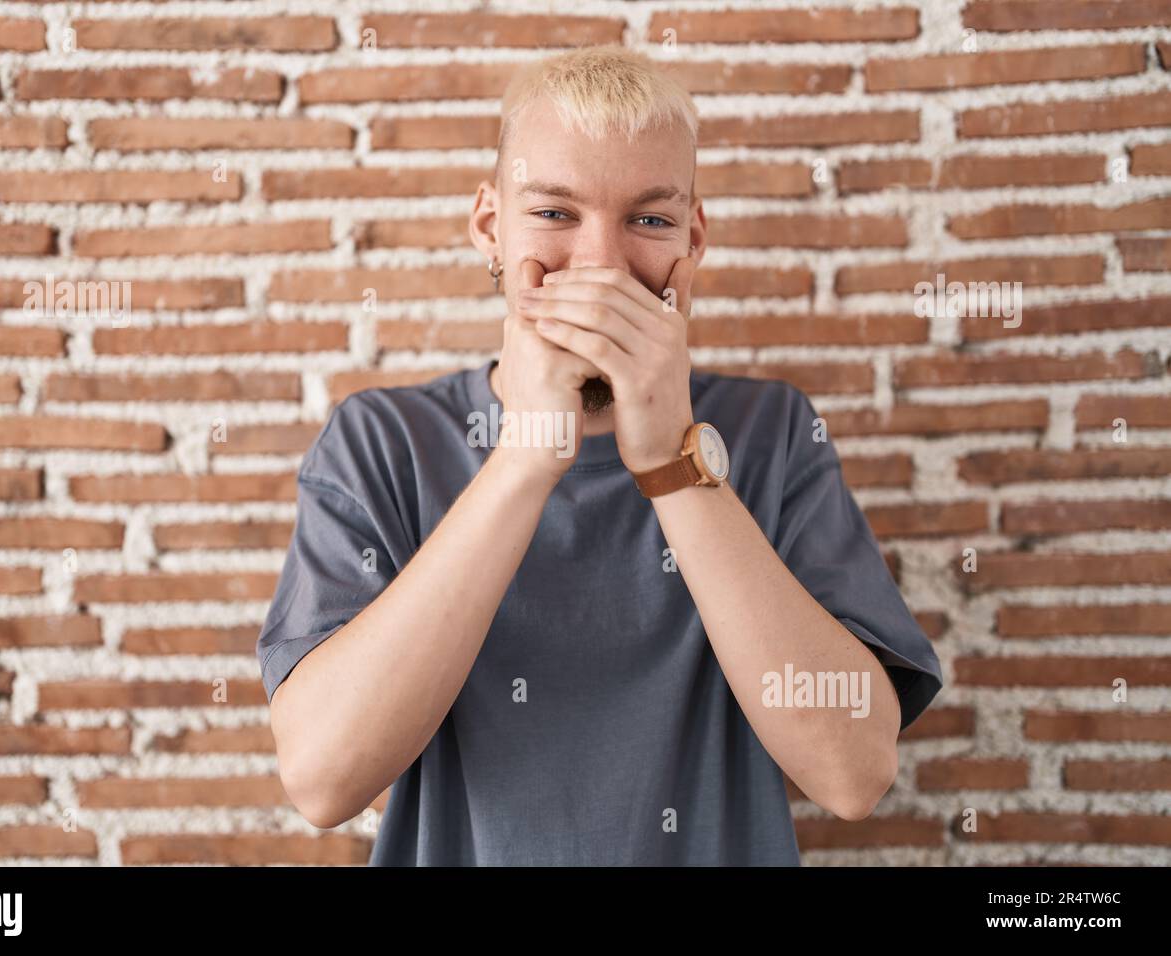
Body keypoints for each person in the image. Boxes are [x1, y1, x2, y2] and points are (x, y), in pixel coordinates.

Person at [258, 44, 943, 865]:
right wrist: (525, 457)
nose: (602, 266)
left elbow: (854, 772)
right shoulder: (382, 442)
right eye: (554, 213)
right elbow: (323, 779)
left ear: (692, 241)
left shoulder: (772, 432)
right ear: (490, 228)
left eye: (648, 221)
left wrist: (672, 465)